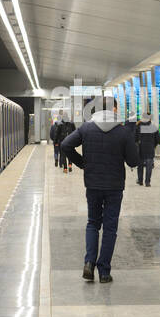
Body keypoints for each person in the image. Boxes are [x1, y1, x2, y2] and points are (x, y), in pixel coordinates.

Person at [60, 99, 139, 283]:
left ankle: (89, 263)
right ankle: (104, 271)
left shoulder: (86, 128)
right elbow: (133, 161)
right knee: (110, 228)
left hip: (93, 183)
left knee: (93, 223)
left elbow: (65, 145)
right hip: (114, 186)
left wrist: (83, 163)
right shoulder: (123, 131)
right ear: (114, 109)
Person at [135, 112, 160, 186]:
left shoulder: (138, 126)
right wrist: (153, 145)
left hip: (140, 149)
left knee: (140, 166)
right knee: (149, 166)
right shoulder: (153, 127)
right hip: (150, 149)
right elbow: (158, 139)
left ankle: (140, 180)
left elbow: (134, 138)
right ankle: (147, 182)